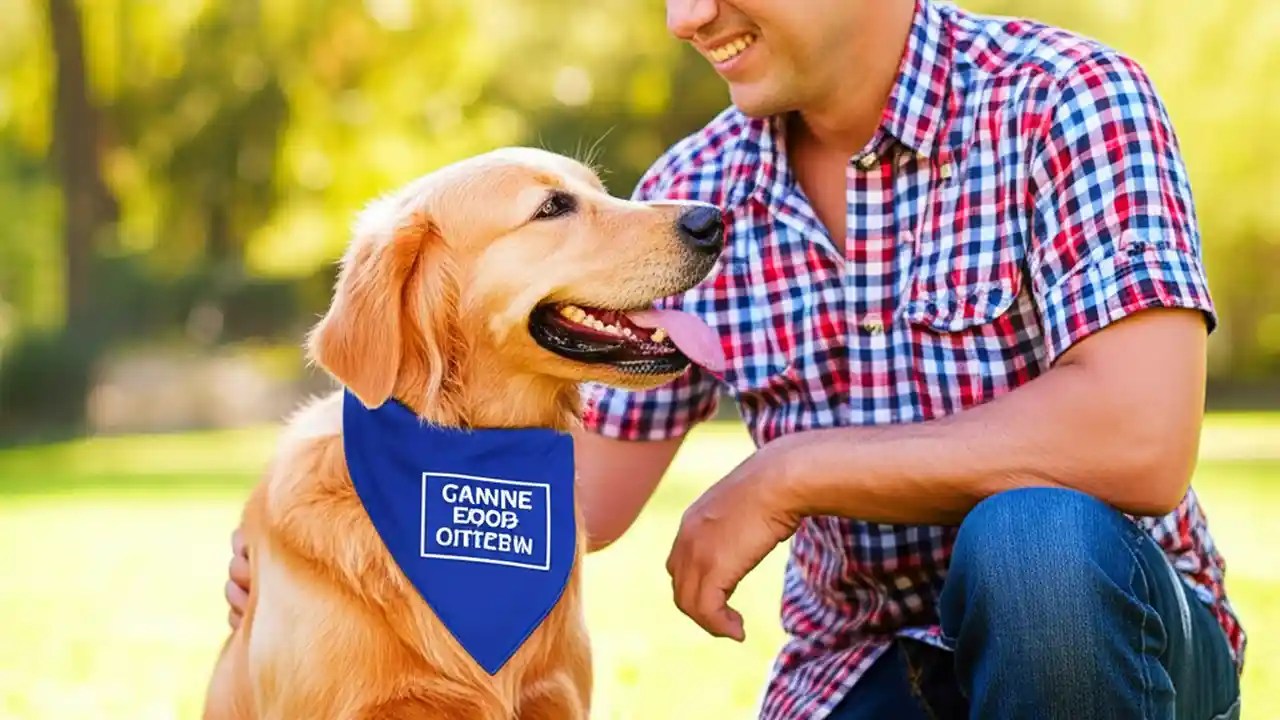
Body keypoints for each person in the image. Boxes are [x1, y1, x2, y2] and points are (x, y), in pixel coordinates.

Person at [225, 0, 1247, 717]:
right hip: (856, 675)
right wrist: (337, 498)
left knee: (1032, 546)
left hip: (1110, 649)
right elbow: (571, 497)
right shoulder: (695, 193)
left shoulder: (1070, 99)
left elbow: (1138, 437)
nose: (683, 16)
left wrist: (790, 473)